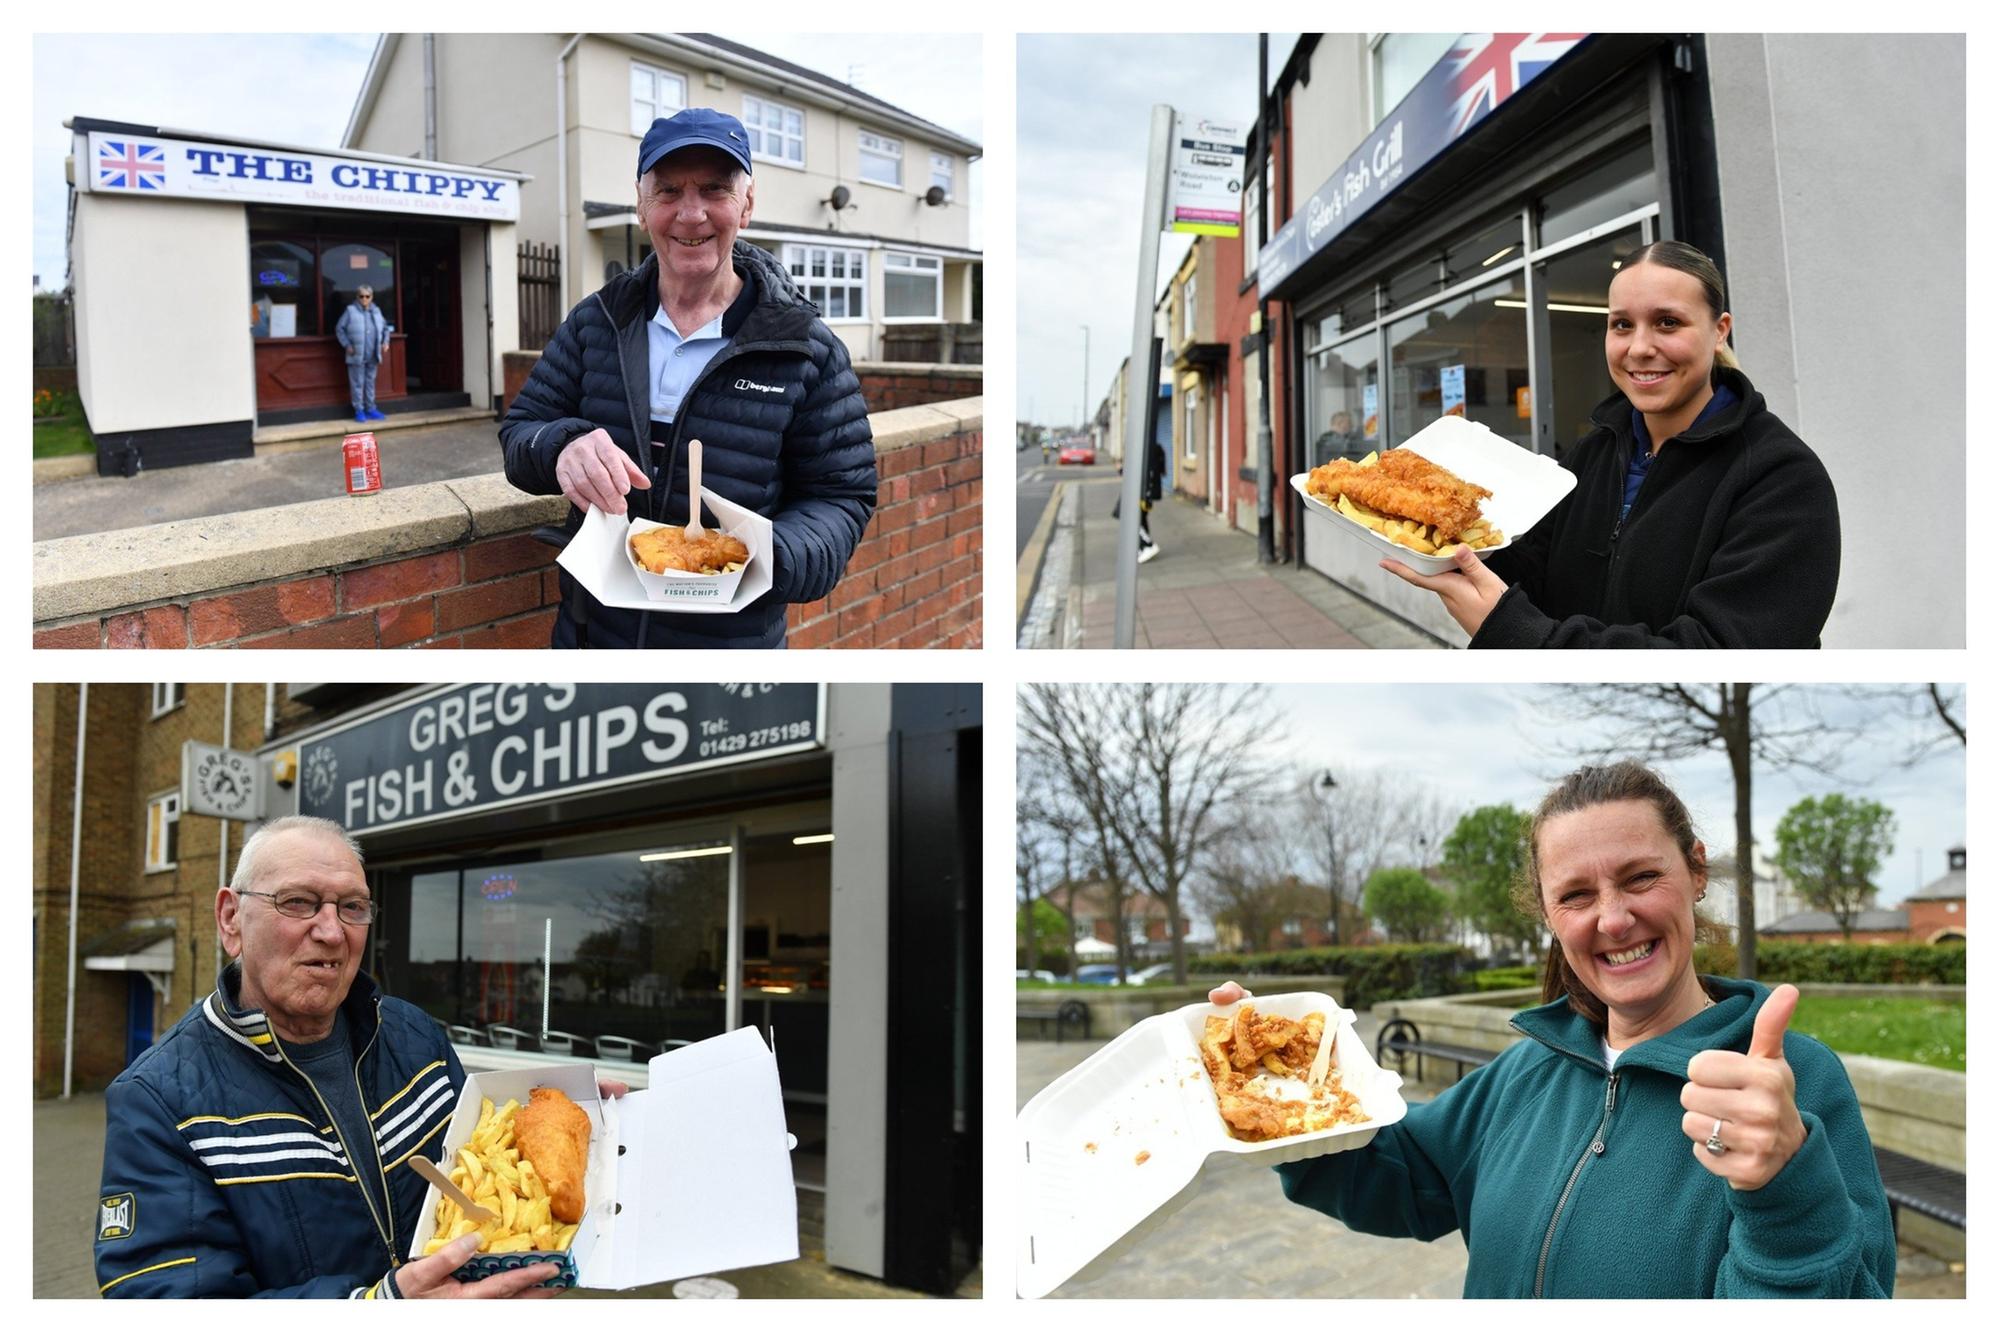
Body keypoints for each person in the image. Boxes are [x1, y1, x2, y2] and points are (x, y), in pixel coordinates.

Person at [1212, 761, 1894, 1298]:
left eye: (1640, 877)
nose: (1613, 917)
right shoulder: (1526, 1070)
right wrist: (1283, 1085)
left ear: (1695, 871)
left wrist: (1784, 1195)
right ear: (1546, 911)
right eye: (1575, 894)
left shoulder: (1792, 1088)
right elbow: (1402, 1177)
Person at [94, 816, 618, 1298]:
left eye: (352, 907)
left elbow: (482, 1161)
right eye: (297, 902)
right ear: (231, 919)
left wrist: (585, 1124)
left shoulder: (414, 1033)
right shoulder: (158, 1100)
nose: (331, 931)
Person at [501, 107, 877, 649]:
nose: (691, 214)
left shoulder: (805, 348)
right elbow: (521, 433)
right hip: (591, 639)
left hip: (730, 653)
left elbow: (843, 496)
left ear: (746, 204)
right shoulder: (597, 322)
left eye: (714, 190)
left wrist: (769, 555)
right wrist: (560, 446)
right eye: (669, 191)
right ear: (641, 204)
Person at [1380, 241, 1839, 647]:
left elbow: (1721, 655)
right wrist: (1450, 550)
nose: (1638, 347)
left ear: (1719, 330)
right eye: (1622, 325)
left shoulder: (1783, 481)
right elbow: (1532, 569)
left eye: (1667, 322)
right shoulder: (1592, 454)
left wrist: (1517, 636)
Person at [335, 286, 393, 424]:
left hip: (373, 354)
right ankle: (359, 410)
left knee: (370, 383)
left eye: (367, 296)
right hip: (356, 355)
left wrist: (386, 342)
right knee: (357, 384)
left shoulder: (377, 311)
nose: (364, 299)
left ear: (372, 297)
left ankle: (371, 409)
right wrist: (347, 345)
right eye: (361, 296)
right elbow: (339, 329)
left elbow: (386, 329)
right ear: (357, 297)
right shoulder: (350, 311)